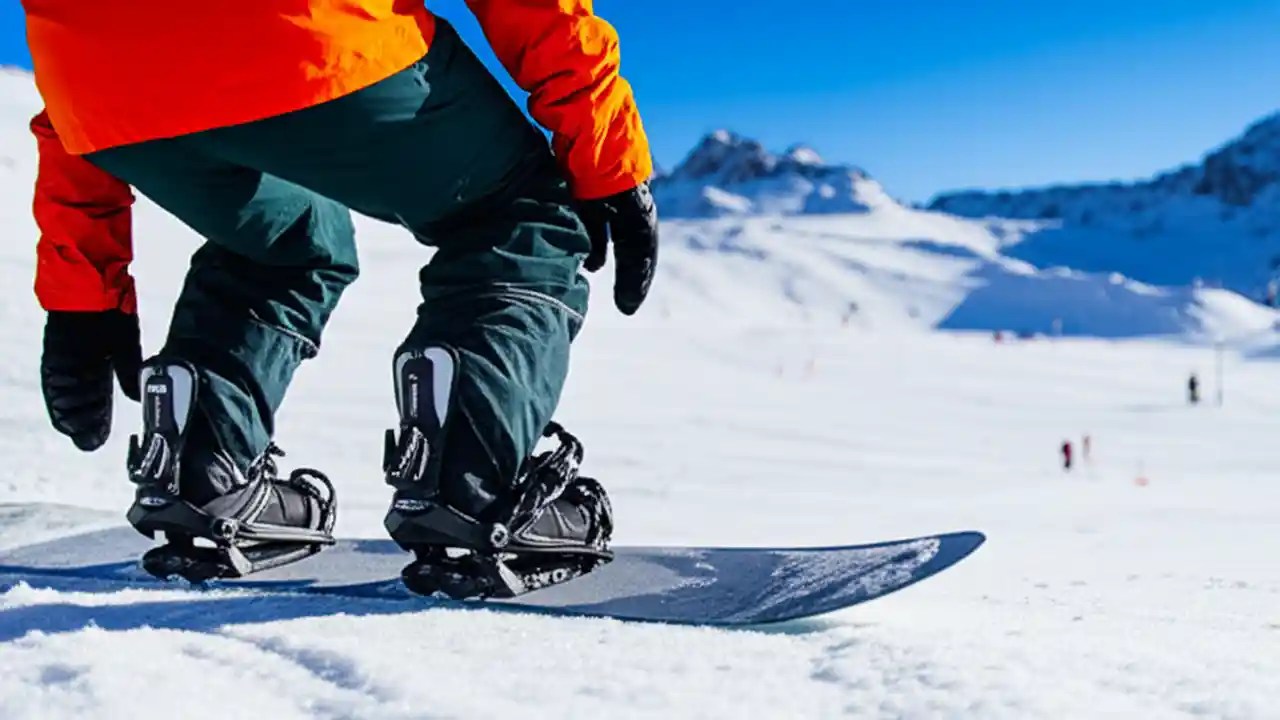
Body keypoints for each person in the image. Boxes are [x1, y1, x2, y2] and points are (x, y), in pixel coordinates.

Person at [24, 1, 658, 598]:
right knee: (521, 214)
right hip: (305, 34)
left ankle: (202, 479)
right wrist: (606, 149)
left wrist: (83, 298)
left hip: (97, 82)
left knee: (287, 242)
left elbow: (96, 37)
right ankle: (471, 492)